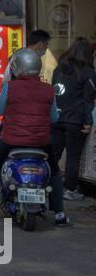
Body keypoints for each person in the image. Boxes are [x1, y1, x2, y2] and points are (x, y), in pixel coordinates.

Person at [0, 46, 68, 225]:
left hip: (11, 139)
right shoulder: (48, 90)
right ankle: (59, 215)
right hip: (41, 141)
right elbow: (54, 118)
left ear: (16, 67)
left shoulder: (10, 87)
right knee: (55, 171)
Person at [51, 37, 96, 201]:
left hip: (56, 118)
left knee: (53, 155)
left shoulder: (59, 69)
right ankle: (69, 190)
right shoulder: (88, 72)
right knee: (73, 157)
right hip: (75, 121)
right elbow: (88, 99)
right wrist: (88, 121)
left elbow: (53, 93)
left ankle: (48, 185)